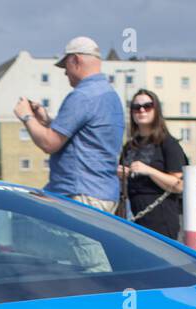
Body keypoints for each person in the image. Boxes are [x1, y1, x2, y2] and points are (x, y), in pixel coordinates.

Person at [13, 36, 123, 212]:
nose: (65, 73)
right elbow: (87, 138)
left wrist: (27, 117)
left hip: (80, 194)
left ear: (75, 60)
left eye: (66, 67)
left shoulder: (82, 96)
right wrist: (47, 121)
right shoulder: (110, 95)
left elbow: (49, 143)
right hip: (104, 193)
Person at [117, 89, 188, 239]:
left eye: (147, 106)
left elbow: (179, 185)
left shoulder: (168, 143)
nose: (141, 110)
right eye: (136, 107)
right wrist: (120, 174)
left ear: (156, 109)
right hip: (132, 216)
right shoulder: (129, 146)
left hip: (160, 218)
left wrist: (149, 171)